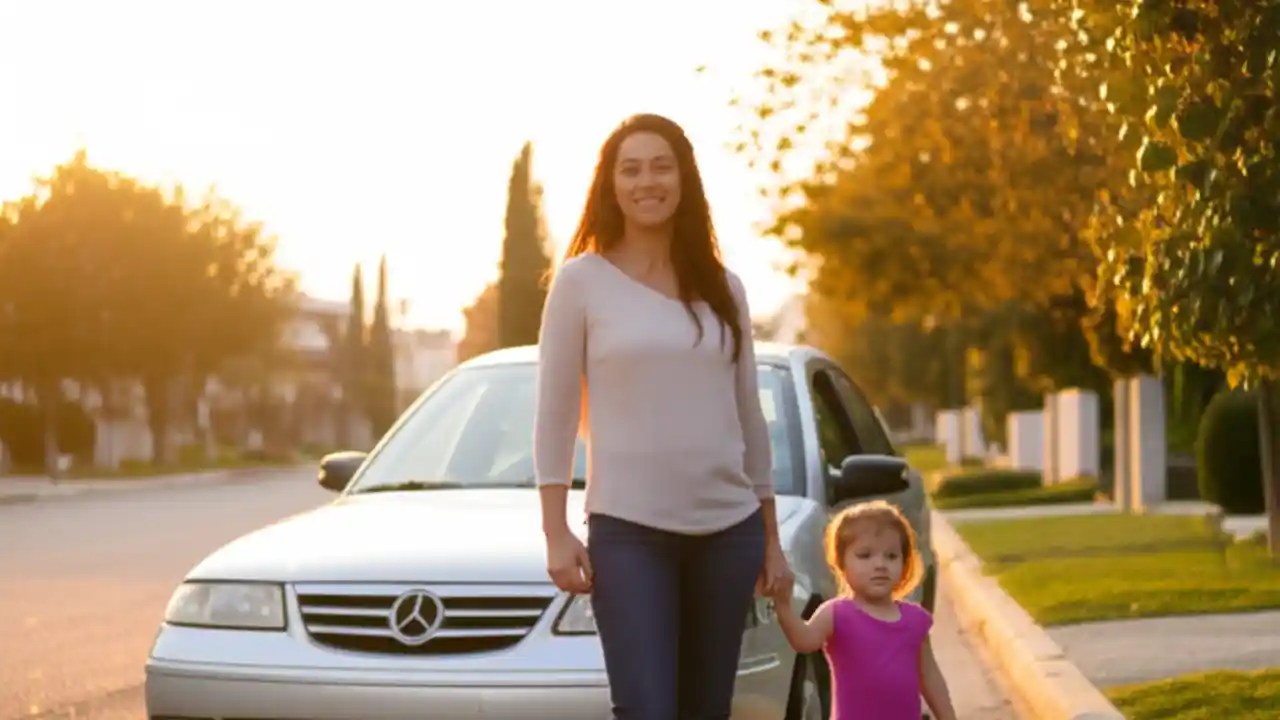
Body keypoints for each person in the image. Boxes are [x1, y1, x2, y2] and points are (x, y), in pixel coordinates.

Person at [532, 112, 793, 720]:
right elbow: (554, 411)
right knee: (647, 708)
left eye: (660, 166)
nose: (646, 181)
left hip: (729, 533)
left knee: (707, 710)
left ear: (683, 180)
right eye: (631, 169)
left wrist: (771, 538)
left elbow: (748, 417)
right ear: (611, 184)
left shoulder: (724, 289)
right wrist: (555, 529)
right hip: (630, 533)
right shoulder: (581, 282)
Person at [768, 500, 957, 720]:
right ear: (842, 563)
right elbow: (804, 640)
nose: (880, 565)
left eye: (891, 556)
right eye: (865, 555)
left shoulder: (915, 620)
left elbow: (929, 675)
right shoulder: (837, 614)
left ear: (905, 563)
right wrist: (783, 606)